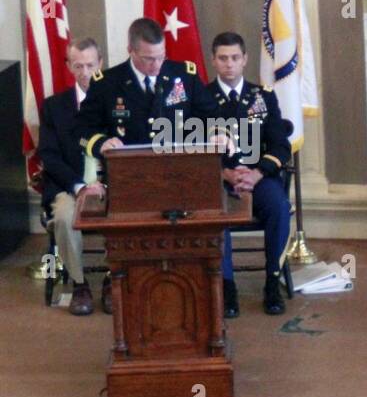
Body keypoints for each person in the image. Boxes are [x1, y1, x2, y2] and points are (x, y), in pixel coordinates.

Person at [209, 32, 293, 317]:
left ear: (245, 59)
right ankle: (227, 285)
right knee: (215, 211)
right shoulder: (204, 98)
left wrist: (257, 173)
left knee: (279, 206)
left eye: (234, 58)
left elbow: (281, 146)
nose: (229, 64)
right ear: (213, 61)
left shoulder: (263, 97)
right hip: (219, 181)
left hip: (259, 177)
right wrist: (225, 173)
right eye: (223, 58)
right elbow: (191, 147)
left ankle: (272, 281)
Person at [75, 16, 220, 162]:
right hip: (128, 171)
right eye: (149, 59)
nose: (157, 64)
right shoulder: (107, 83)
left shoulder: (184, 75)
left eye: (161, 56)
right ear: (131, 50)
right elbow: (81, 131)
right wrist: (101, 144)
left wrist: (219, 133)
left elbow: (213, 115)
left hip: (180, 169)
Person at [37, 38, 107, 316]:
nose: (85, 72)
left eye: (90, 65)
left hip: (110, 185)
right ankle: (80, 284)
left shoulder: (115, 102)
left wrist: (105, 184)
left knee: (125, 212)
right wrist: (79, 187)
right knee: (65, 217)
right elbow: (50, 156)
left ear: (100, 64)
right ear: (68, 66)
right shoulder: (55, 107)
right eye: (78, 65)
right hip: (69, 186)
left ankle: (113, 279)